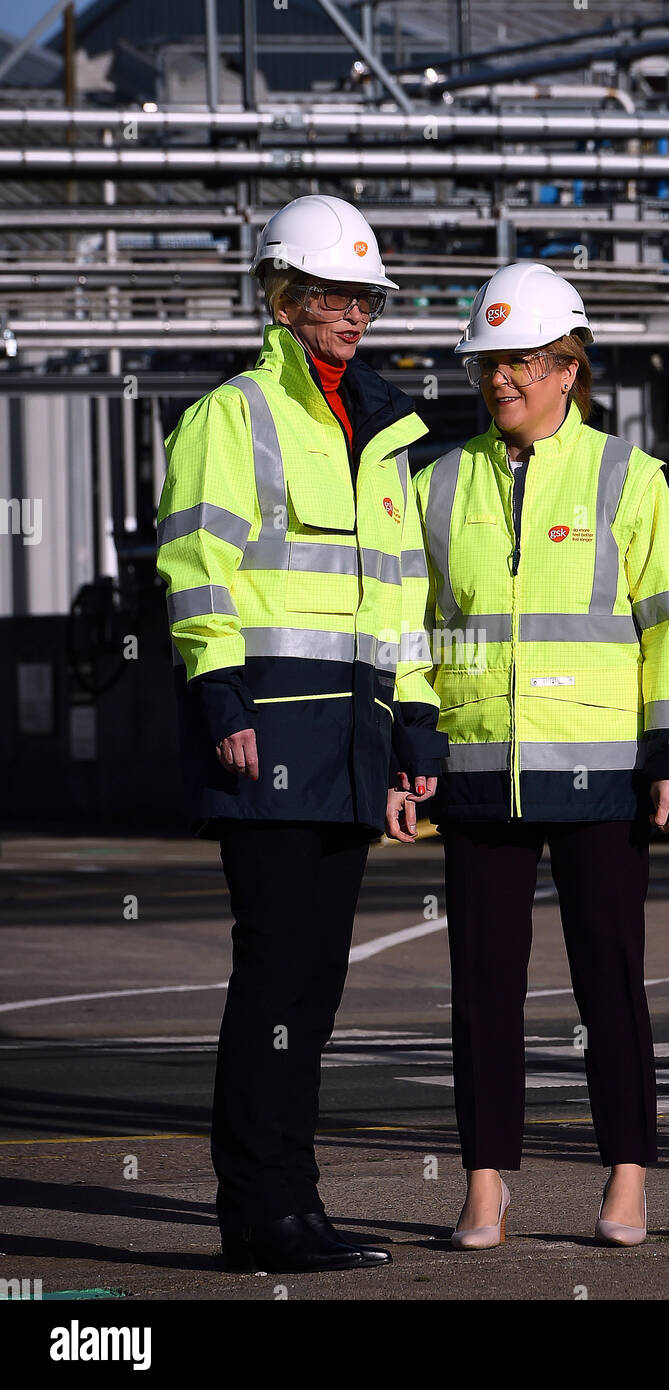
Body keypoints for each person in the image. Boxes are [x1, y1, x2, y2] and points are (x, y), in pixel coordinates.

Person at [156, 195, 446, 1273]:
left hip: (356, 742)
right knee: (276, 976)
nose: (352, 313)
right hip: (268, 731)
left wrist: (417, 727)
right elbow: (196, 563)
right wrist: (219, 693)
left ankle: (295, 1201)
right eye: (331, 294)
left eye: (362, 296)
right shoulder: (235, 415)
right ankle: (259, 1210)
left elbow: (401, 596)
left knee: (316, 984)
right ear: (282, 298)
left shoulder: (381, 430)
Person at [407, 261, 669, 1250]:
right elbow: (407, 633)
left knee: (609, 977)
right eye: (489, 364)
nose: (500, 381)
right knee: (483, 984)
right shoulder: (437, 485)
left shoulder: (628, 476)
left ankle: (626, 1177)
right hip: (477, 771)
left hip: (604, 774)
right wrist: (408, 754)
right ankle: (486, 1183)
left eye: (521, 363)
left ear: (568, 367)